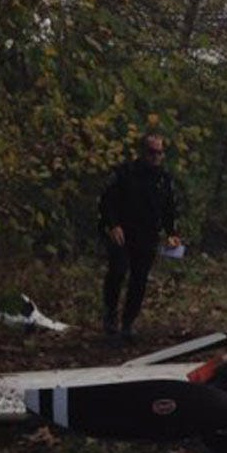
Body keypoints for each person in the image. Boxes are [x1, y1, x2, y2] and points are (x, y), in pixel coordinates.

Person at [98, 133, 180, 341]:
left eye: (160, 153)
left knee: (139, 280)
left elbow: (169, 208)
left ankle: (128, 323)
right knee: (117, 273)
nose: (156, 157)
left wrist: (172, 233)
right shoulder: (125, 173)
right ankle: (110, 316)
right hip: (123, 233)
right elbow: (108, 201)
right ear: (143, 153)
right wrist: (113, 225)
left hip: (148, 236)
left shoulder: (164, 179)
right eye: (152, 152)